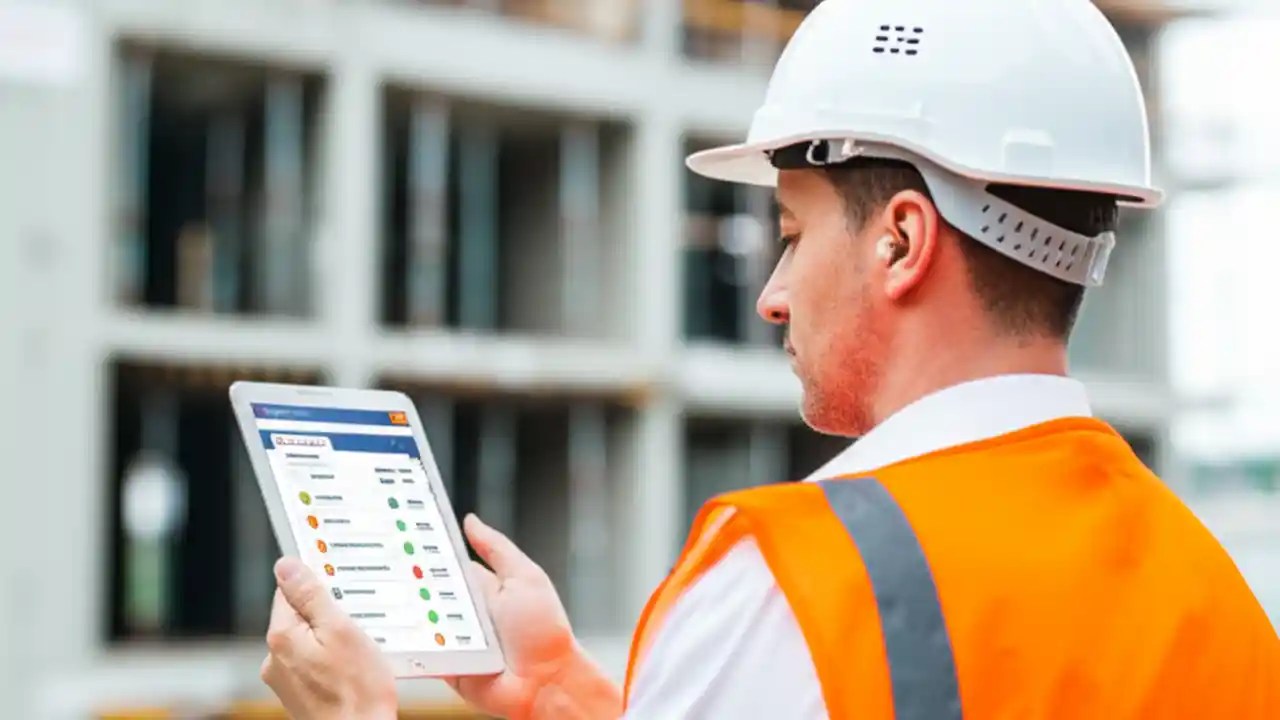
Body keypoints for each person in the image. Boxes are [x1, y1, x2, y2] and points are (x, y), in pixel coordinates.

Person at [259, 0, 1280, 717]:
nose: (770, 294)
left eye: (791, 232)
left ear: (900, 241)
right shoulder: (1211, 597)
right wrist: (558, 694)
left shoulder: (795, 585)